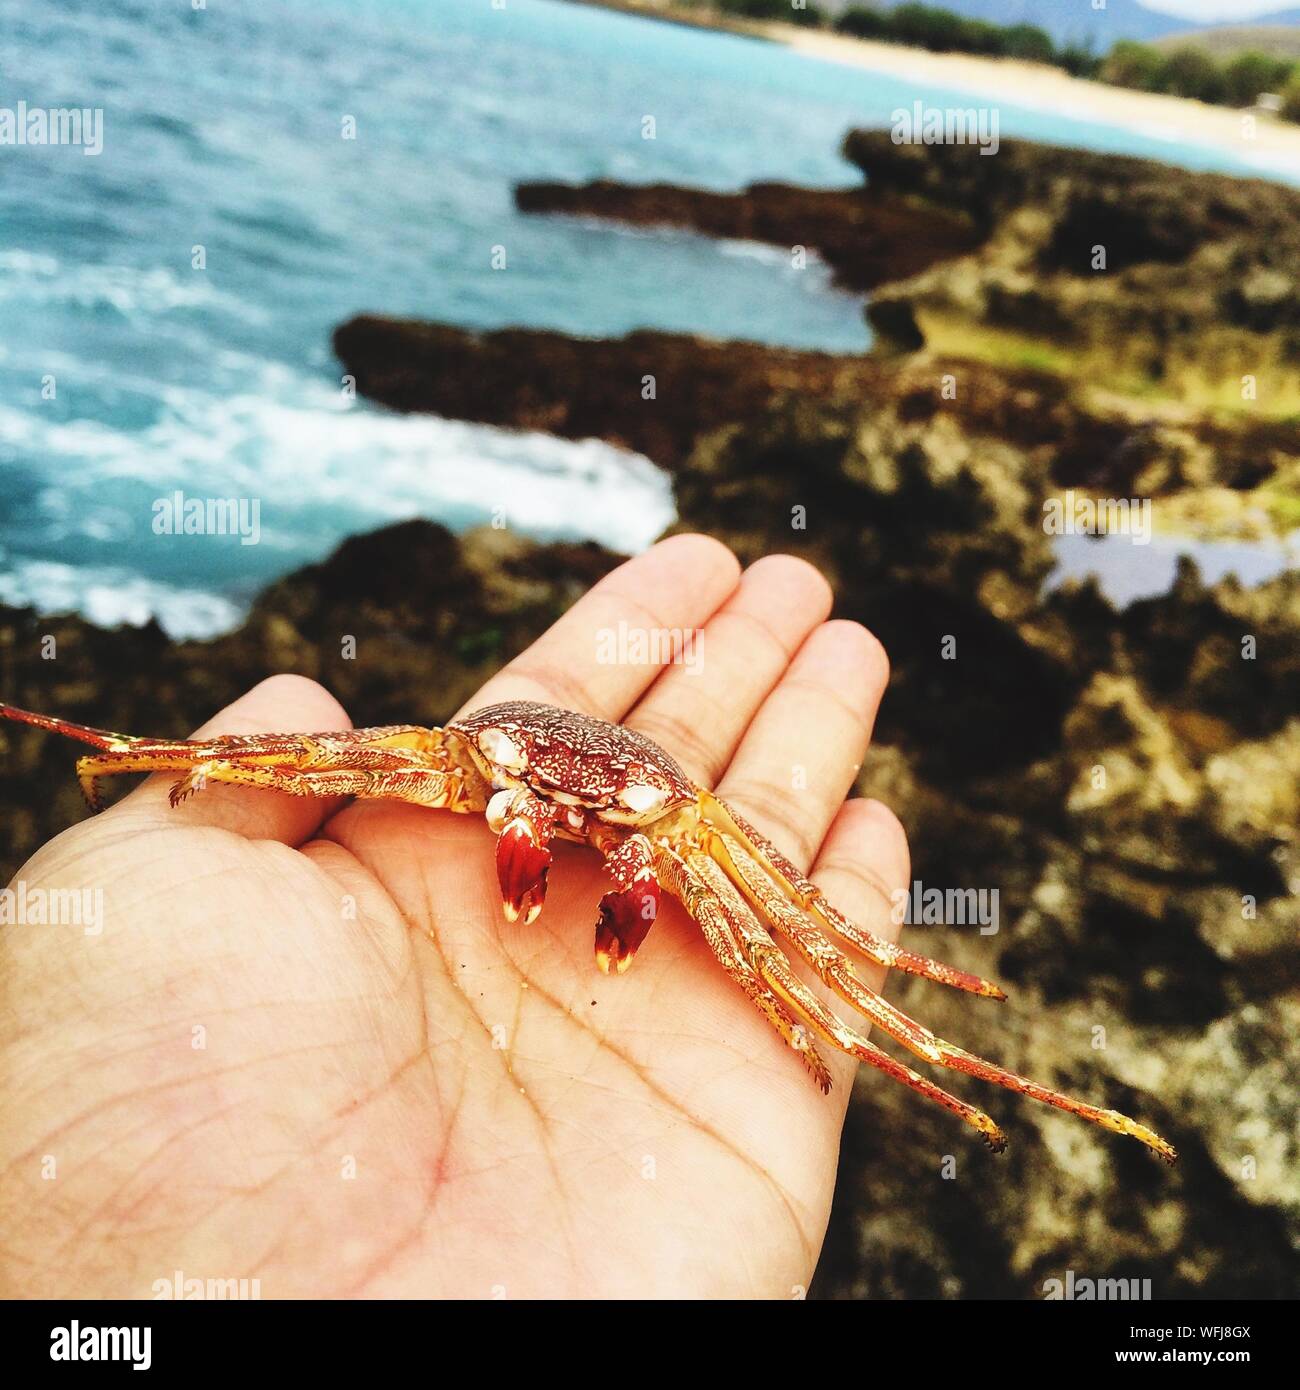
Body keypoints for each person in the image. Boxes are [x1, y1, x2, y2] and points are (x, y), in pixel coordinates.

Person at [0, 534, 905, 1298]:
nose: (565, 814)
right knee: (291, 750)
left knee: (797, 939)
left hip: (652, 813)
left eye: (597, 813)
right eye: (544, 791)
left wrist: (801, 1010)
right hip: (515, 760)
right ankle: (114, 749)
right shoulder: (448, 759)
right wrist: (207, 760)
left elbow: (810, 929)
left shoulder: (688, 831)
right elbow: (323, 755)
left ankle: (945, 1066)